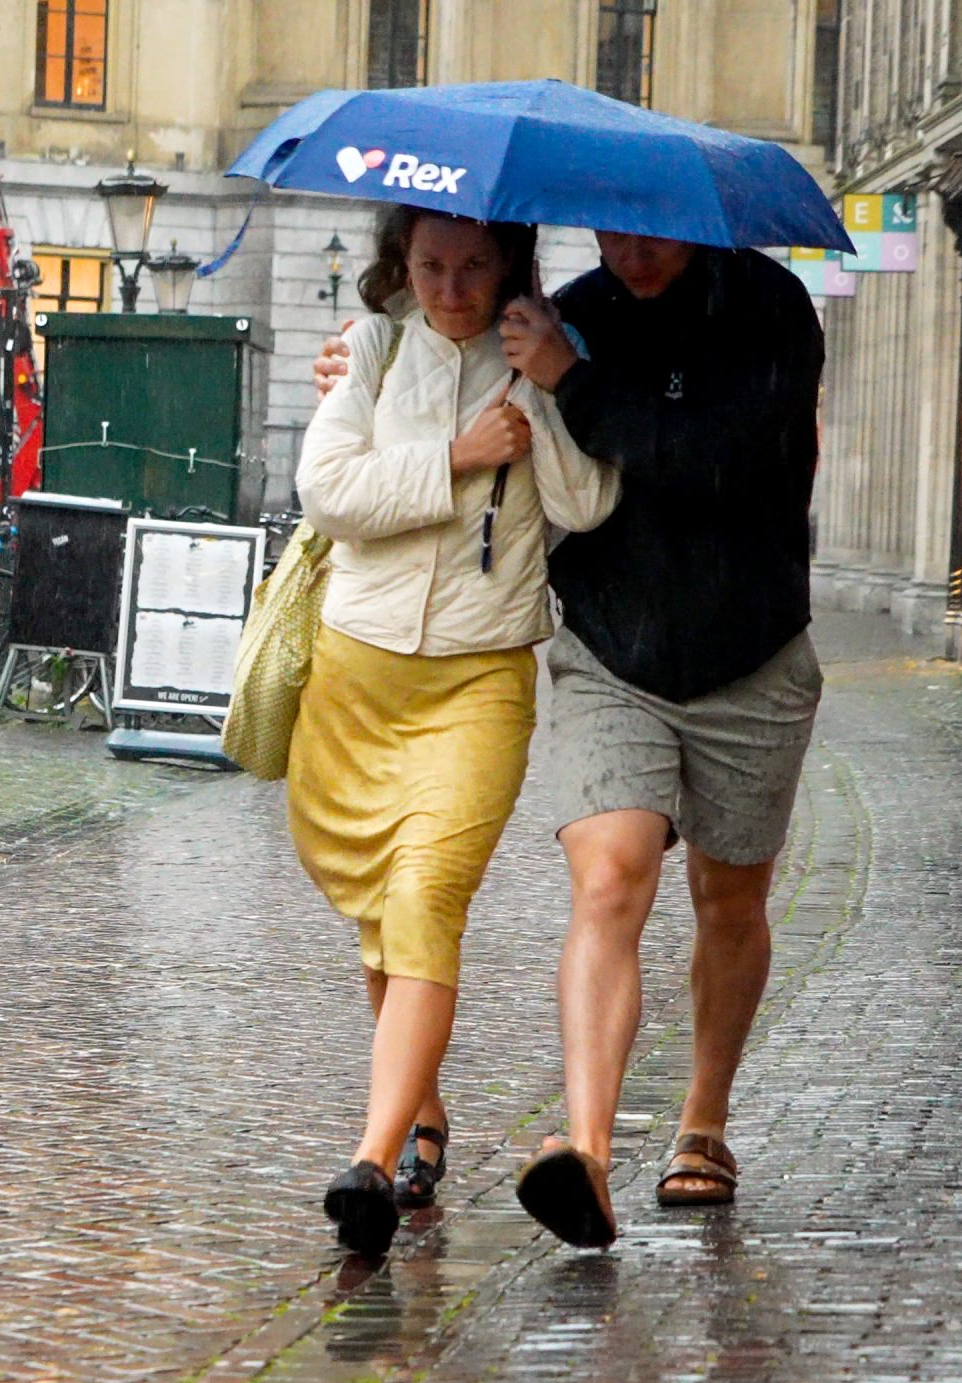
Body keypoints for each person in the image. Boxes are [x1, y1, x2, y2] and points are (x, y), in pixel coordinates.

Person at [314, 232, 826, 1248]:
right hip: (609, 653)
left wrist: (570, 379)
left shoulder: (768, 308)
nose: (629, 251)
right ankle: (584, 1153)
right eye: (611, 230)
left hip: (752, 648)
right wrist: (370, 363)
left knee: (729, 901)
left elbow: (708, 461)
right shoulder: (569, 312)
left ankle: (702, 1125)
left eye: (652, 233)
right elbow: (483, 403)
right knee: (609, 879)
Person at [289, 206, 617, 1259]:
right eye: (430, 264)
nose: (451, 286)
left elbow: (589, 500)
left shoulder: (544, 356)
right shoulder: (373, 352)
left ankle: (371, 1164)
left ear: (511, 265)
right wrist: (460, 454)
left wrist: (551, 385)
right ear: (401, 263)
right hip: (355, 675)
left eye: (474, 266)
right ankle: (421, 1119)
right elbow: (327, 492)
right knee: (384, 913)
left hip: (479, 676)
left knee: (426, 894)